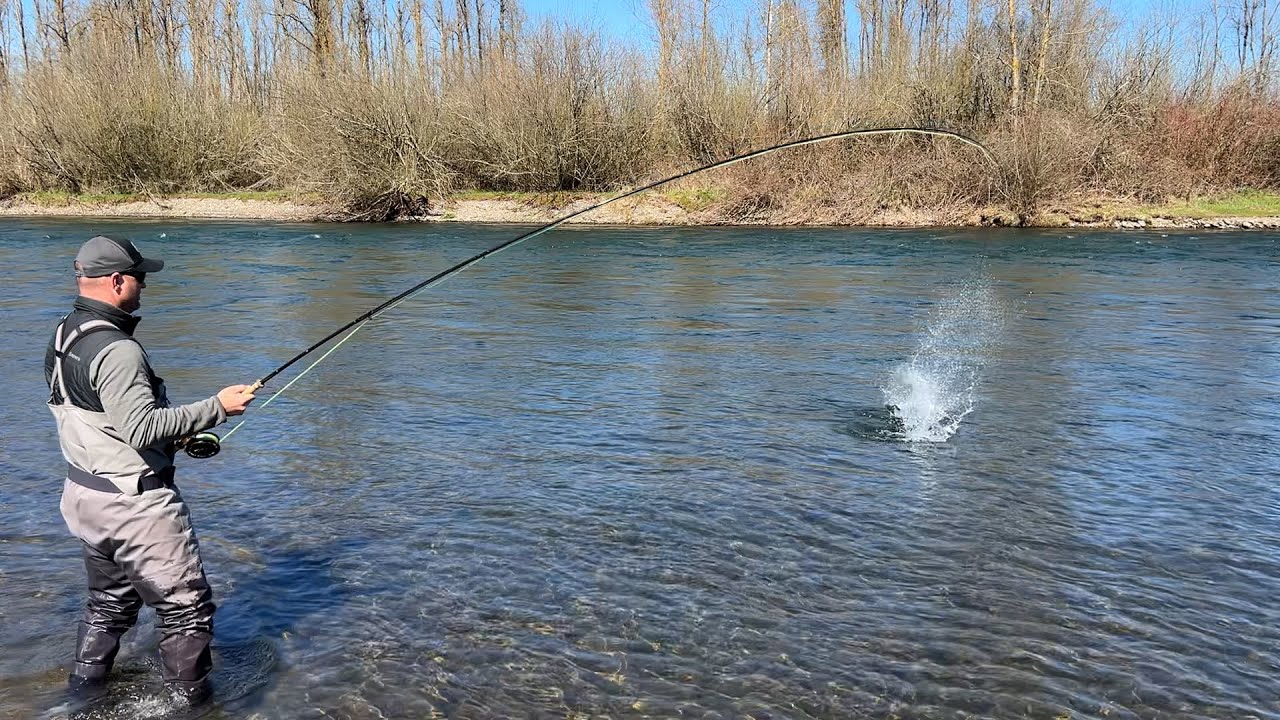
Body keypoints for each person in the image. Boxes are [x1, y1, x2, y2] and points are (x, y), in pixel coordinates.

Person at [44, 235, 256, 703]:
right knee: (187, 611)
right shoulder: (118, 350)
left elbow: (103, 418)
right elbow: (140, 429)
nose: (144, 285)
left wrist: (174, 438)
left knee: (109, 604)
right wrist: (217, 407)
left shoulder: (66, 332)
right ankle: (190, 707)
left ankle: (82, 695)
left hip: (84, 499)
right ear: (117, 281)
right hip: (133, 506)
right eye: (139, 277)